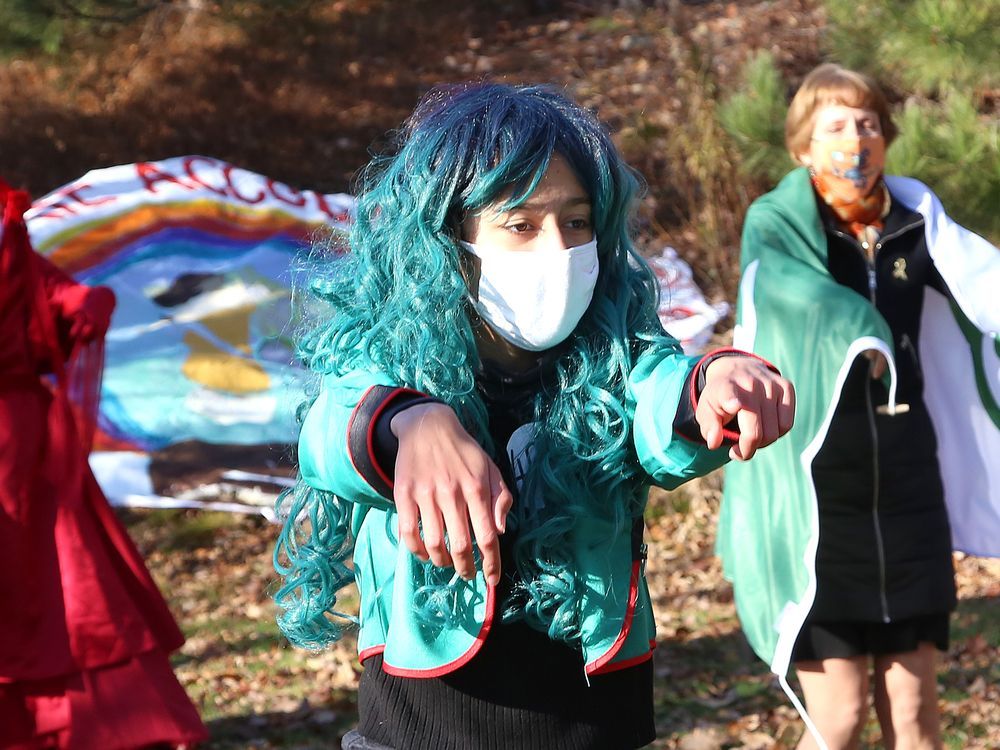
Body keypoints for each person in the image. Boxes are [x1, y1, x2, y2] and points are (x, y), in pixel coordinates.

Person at [273, 81, 795, 750]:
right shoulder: (388, 362)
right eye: (520, 224)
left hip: (601, 729)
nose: (556, 247)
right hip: (420, 732)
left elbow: (662, 395)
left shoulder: (617, 354)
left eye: (575, 221)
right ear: (448, 237)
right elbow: (331, 427)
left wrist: (716, 381)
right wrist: (411, 424)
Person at [718, 63, 1000, 750]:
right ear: (802, 146)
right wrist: (859, 325)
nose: (857, 139)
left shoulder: (913, 220)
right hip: (818, 495)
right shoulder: (777, 224)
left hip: (908, 490)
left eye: (869, 123)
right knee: (838, 717)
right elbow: (785, 292)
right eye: (837, 125)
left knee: (915, 715)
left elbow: (983, 282)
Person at [0, 178, 208, 749]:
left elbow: (57, 295)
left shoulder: (7, 236)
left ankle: (89, 723)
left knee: (55, 566)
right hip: (17, 434)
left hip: (20, 440)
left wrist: (84, 303)